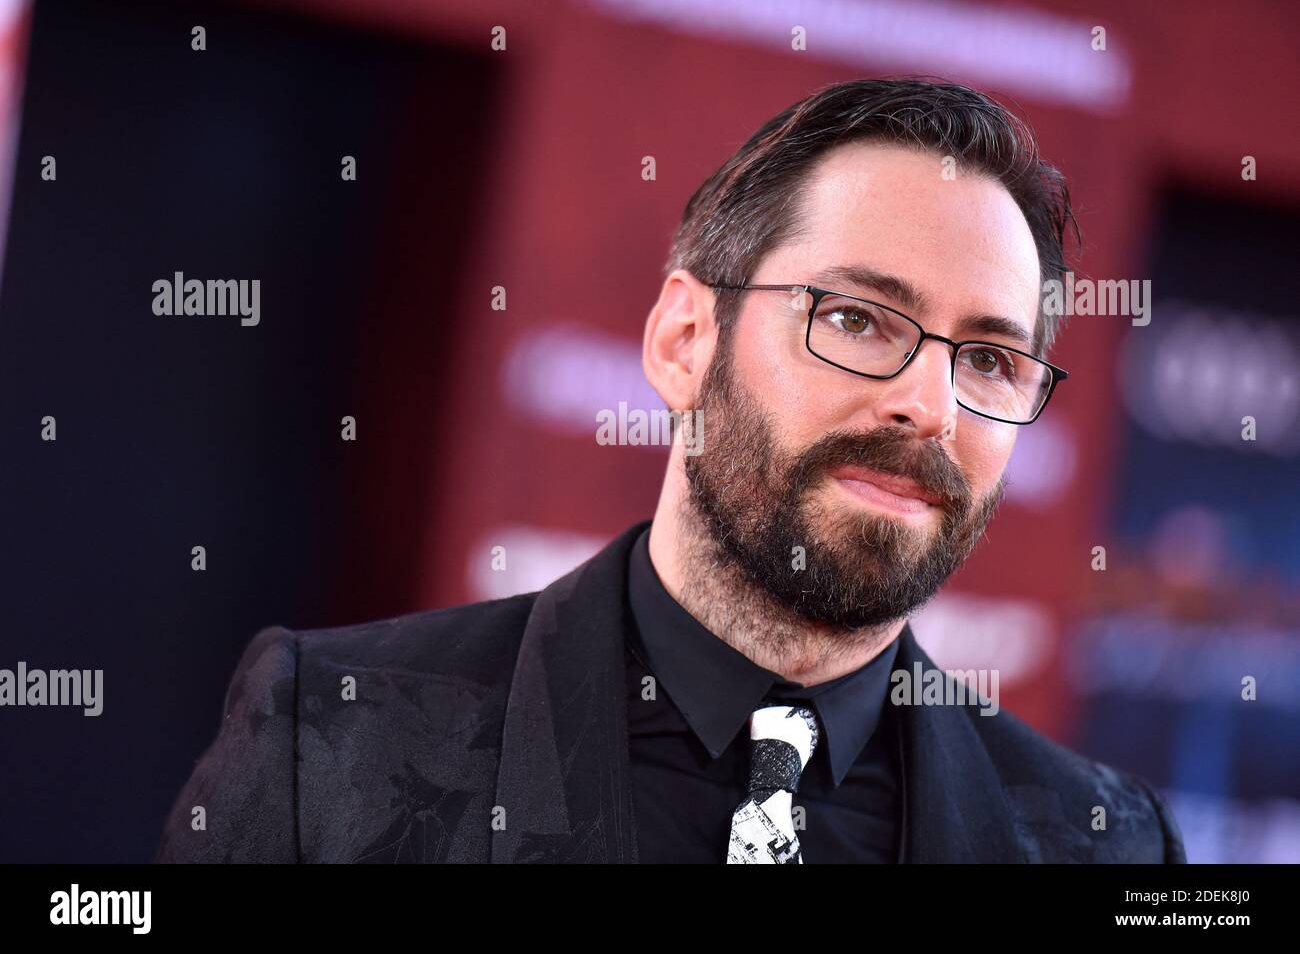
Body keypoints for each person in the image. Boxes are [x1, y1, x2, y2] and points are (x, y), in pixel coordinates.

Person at [155, 77, 1186, 864]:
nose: (928, 404)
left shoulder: (1106, 844)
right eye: (858, 320)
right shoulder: (333, 739)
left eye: (989, 361)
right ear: (684, 339)